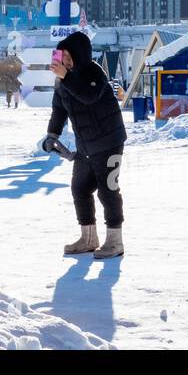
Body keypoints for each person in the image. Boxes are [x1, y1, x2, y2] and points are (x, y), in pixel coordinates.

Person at [43, 31, 127, 259]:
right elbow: (58, 110)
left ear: (80, 56)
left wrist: (66, 77)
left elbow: (88, 95)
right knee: (79, 189)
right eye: (63, 57)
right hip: (86, 145)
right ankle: (88, 238)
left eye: (70, 58)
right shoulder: (62, 81)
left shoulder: (94, 72)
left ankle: (114, 241)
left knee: (108, 190)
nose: (66, 62)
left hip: (109, 141)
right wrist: (52, 135)